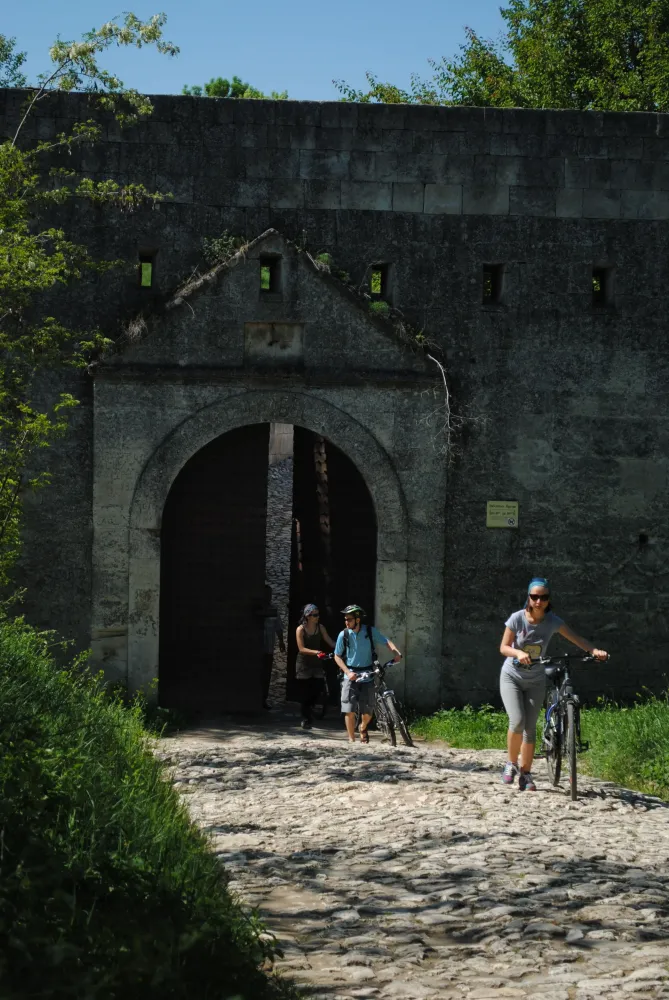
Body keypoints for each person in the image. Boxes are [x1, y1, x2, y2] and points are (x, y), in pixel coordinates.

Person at [499, 577, 608, 791]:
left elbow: (576, 638)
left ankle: (526, 774)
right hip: (512, 676)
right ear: (528, 598)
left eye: (544, 597)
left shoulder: (553, 622)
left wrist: (594, 650)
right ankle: (511, 764)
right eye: (535, 597)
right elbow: (503, 647)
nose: (539, 601)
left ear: (549, 600)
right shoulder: (517, 619)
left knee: (530, 728)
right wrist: (518, 652)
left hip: (536, 679)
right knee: (518, 721)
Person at [334, 604, 402, 744]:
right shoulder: (344, 634)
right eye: (345, 619)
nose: (346, 622)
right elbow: (337, 656)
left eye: (350, 619)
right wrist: (347, 671)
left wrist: (396, 652)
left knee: (368, 710)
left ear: (358, 620)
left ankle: (363, 727)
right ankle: (351, 740)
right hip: (350, 674)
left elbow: (386, 641)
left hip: (367, 673)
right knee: (349, 709)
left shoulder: (370, 631)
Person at [295, 603, 335, 729]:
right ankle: (306, 719)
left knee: (317, 689)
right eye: (315, 615)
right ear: (308, 616)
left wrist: (341, 647)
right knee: (305, 693)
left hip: (317, 664)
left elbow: (330, 641)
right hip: (304, 664)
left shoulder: (320, 627)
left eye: (318, 614)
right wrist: (317, 652)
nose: (317, 617)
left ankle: (311, 710)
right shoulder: (300, 629)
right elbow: (301, 648)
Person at [260, 585, 285, 710]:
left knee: (266, 674)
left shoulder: (273, 610)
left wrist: (281, 642)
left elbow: (278, 627)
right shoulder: (258, 610)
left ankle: (264, 698)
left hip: (268, 648)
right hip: (257, 648)